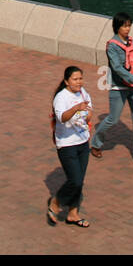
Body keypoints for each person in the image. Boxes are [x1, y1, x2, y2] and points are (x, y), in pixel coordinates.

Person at [89, 12, 133, 168]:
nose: (127, 29)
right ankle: (96, 143)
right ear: (117, 27)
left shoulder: (132, 41)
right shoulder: (112, 45)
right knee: (113, 119)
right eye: (124, 26)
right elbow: (117, 67)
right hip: (118, 88)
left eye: (129, 25)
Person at [48, 65, 93, 228]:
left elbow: (89, 111)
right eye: (75, 79)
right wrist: (76, 108)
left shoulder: (83, 93)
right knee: (74, 180)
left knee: (80, 181)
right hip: (67, 144)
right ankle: (56, 202)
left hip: (83, 142)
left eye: (80, 78)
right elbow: (62, 118)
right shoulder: (61, 97)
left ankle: (73, 214)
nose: (79, 82)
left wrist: (87, 115)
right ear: (67, 81)